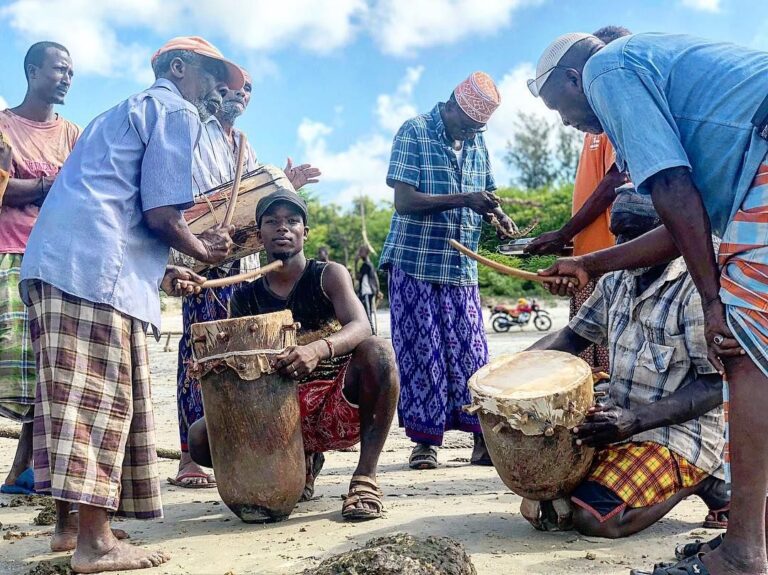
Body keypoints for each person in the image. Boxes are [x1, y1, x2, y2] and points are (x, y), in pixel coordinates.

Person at [529, 31, 768, 575]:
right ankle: (747, 536)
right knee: (752, 348)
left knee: (740, 346)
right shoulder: (659, 78)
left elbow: (672, 191)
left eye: (559, 108)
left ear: (573, 80)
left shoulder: (608, 69)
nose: (567, 123)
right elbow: (685, 219)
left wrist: (712, 302)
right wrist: (590, 264)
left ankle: (743, 552)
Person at [18, 36, 243, 573]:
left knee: (68, 398)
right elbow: (163, 214)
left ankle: (70, 526)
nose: (218, 91)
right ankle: (94, 545)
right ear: (181, 68)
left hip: (62, 265)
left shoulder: (115, 114)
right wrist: (203, 249)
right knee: (99, 400)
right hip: (90, 274)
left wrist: (169, 267)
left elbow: (113, 205)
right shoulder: (173, 110)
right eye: (213, 77)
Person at [521, 188, 728, 539]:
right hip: (616, 424)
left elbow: (715, 385)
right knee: (542, 503)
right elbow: (571, 339)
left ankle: (704, 476)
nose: (622, 245)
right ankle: (702, 481)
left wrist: (635, 421)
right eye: (618, 233)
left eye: (634, 235)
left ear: (665, 235)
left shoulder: (696, 288)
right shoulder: (616, 279)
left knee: (596, 519)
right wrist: (510, 374)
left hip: (676, 432)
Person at [188, 190, 399, 521]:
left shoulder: (328, 274)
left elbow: (362, 326)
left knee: (379, 352)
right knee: (200, 439)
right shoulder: (245, 295)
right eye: (272, 222)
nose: (282, 228)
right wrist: (209, 364)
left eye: (292, 221)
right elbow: (237, 362)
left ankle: (365, 480)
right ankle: (299, 463)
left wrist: (317, 349)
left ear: (305, 232)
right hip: (275, 410)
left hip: (335, 398)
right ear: (260, 236)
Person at [172, 69, 321, 489]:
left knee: (246, 352)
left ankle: (240, 441)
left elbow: (255, 206)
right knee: (200, 351)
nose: (240, 95)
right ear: (216, 89)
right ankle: (189, 454)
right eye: (233, 87)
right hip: (203, 262)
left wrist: (283, 187)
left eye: (248, 90)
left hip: (243, 265)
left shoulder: (243, 146)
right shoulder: (193, 132)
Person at [379, 71, 515, 470]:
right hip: (416, 263)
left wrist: (498, 217)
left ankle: (482, 440)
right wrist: (464, 200)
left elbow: (486, 195)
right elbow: (404, 201)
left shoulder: (476, 142)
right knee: (423, 353)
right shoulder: (415, 131)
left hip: (460, 268)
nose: (473, 134)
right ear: (453, 107)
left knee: (473, 354)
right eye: (468, 126)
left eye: (479, 129)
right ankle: (425, 443)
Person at [525, 25, 631, 372]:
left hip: (614, 258)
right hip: (589, 258)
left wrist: (564, 233)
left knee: (612, 363)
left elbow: (617, 181)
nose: (565, 121)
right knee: (584, 363)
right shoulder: (595, 127)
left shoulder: (625, 115)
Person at [0, 42, 80, 495]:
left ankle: (23, 471)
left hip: (55, 257)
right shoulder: (4, 126)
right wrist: (50, 184)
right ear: (33, 71)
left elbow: (83, 193)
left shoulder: (72, 134)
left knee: (46, 363)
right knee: (13, 359)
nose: (67, 77)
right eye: (59, 69)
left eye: (71, 71)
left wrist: (26, 185)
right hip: (8, 252)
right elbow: (1, 191)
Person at [356, 245, 379, 334]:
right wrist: (377, 290)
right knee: (368, 312)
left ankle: (372, 332)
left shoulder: (366, 265)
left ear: (366, 253)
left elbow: (358, 277)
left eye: (361, 251)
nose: (359, 254)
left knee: (367, 313)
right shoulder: (370, 264)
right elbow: (375, 278)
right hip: (371, 291)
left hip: (367, 291)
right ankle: (372, 331)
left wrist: (355, 263)